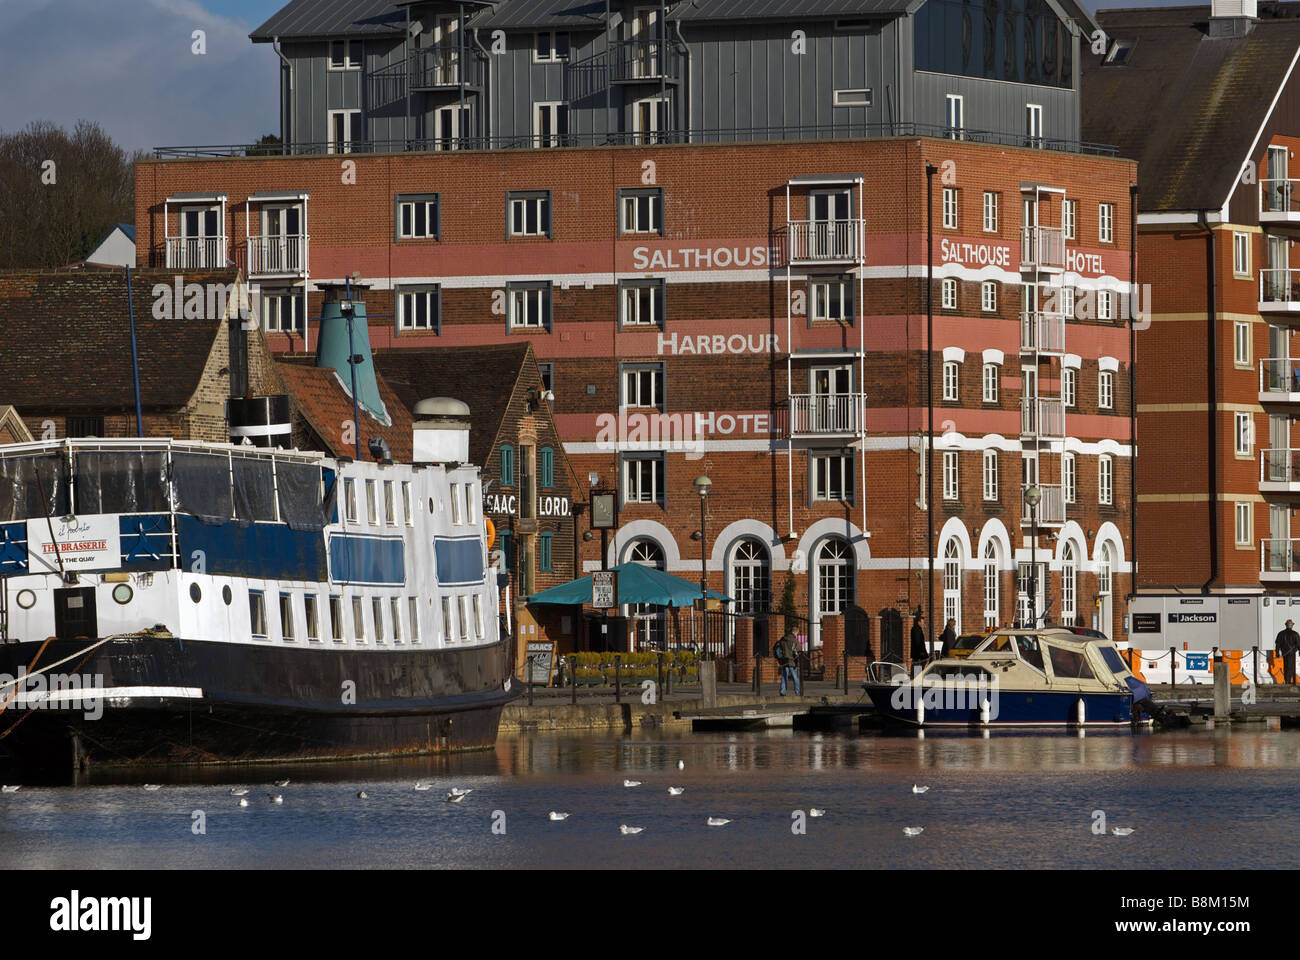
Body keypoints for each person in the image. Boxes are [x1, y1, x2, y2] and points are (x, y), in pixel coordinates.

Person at [774, 629, 802, 697]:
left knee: (784, 677)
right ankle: (798, 692)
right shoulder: (794, 641)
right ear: (794, 632)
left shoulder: (782, 639)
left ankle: (783, 691)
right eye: (797, 633)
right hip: (792, 661)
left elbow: (777, 648)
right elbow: (798, 651)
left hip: (784, 661)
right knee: (795, 677)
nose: (797, 635)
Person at [1277, 619, 1300, 684]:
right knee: (1290, 666)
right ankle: (1289, 680)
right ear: (1292, 626)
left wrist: (1277, 652)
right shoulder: (1295, 634)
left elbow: (1278, 644)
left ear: (1286, 625)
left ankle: (1287, 680)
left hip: (1284, 653)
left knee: (1286, 666)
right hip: (1292, 653)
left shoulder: (1281, 633)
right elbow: (1298, 644)